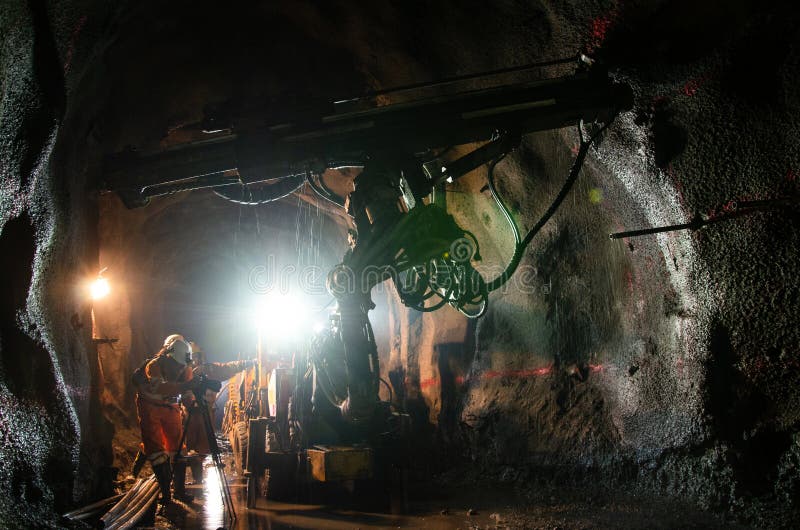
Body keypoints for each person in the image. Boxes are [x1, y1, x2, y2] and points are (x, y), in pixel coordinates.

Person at [134, 334, 198, 504]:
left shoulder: (185, 367)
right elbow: (159, 387)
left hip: (170, 407)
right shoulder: (153, 365)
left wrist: (193, 405)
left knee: (178, 447)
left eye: (181, 366)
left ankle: (179, 491)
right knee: (155, 447)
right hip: (149, 406)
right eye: (176, 365)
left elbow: (186, 393)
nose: (179, 369)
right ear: (168, 356)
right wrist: (185, 386)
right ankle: (165, 493)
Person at [179, 343, 255, 484]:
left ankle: (197, 479)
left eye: (197, 356)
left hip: (206, 413)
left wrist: (247, 363)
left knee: (201, 450)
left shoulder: (208, 369)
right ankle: (177, 484)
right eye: (192, 357)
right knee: (183, 448)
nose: (195, 360)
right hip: (189, 414)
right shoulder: (182, 371)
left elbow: (227, 368)